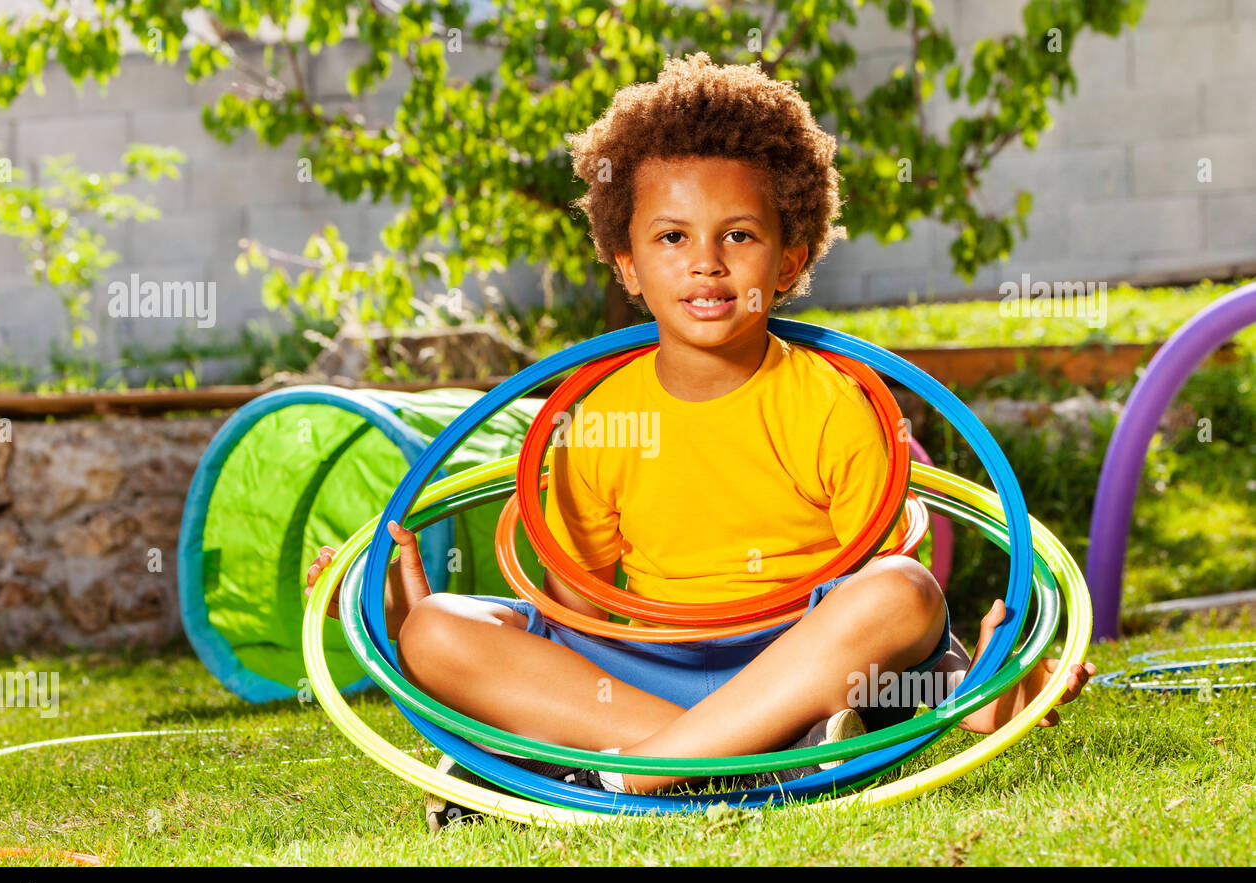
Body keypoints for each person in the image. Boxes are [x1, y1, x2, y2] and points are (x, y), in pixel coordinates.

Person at [305, 52, 1094, 826]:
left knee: (904, 593)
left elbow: (884, 615)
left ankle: (614, 770)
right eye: (673, 238)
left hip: (789, 665)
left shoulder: (834, 405)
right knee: (441, 630)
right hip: (640, 672)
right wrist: (401, 615)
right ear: (629, 265)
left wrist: (985, 693)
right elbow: (580, 617)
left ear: (790, 258)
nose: (707, 265)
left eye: (739, 236)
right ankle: (728, 757)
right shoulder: (599, 420)